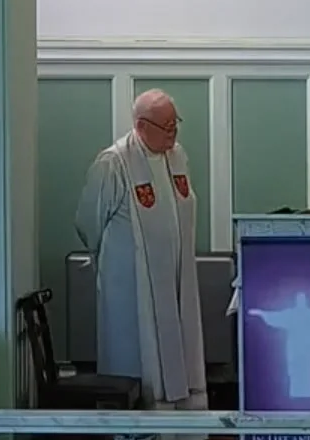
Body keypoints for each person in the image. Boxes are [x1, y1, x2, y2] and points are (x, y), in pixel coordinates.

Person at [75, 89, 207, 409]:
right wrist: (114, 259)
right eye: (166, 126)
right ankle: (141, 422)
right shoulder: (114, 162)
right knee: (139, 351)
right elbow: (88, 221)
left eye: (175, 123)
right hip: (133, 286)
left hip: (177, 278)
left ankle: (183, 415)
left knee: (181, 345)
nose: (173, 132)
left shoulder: (178, 156)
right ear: (141, 126)